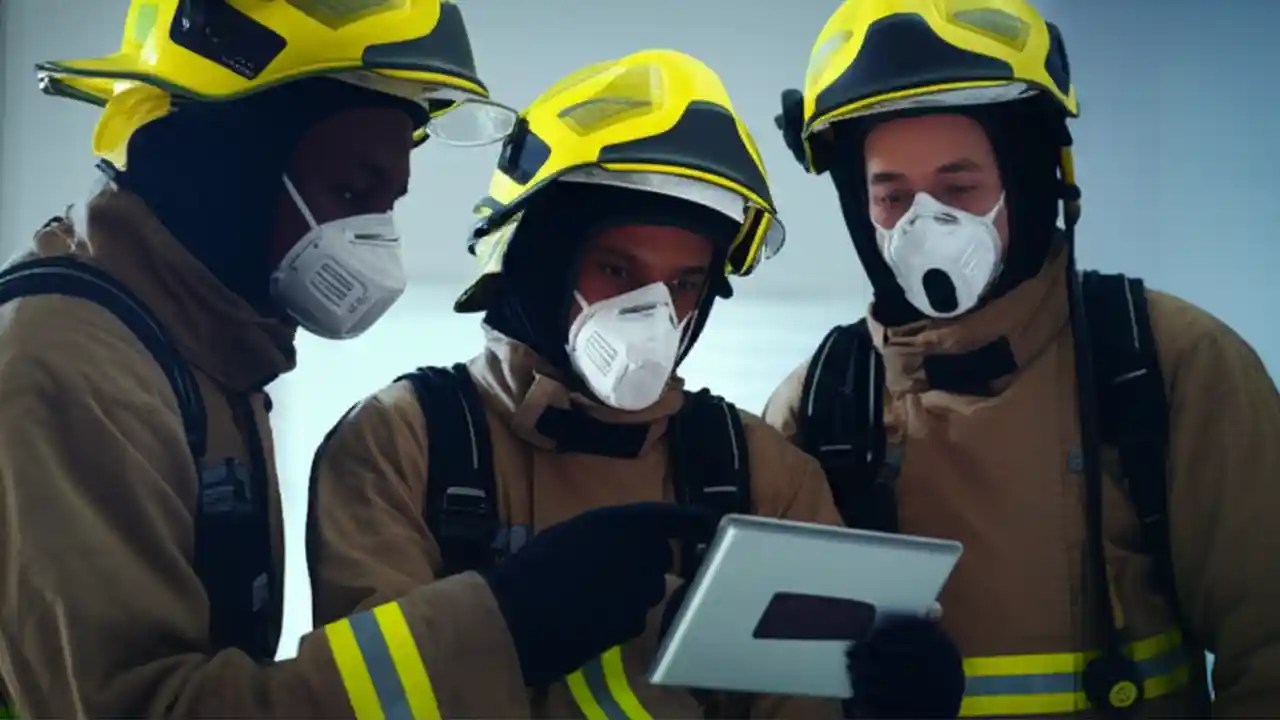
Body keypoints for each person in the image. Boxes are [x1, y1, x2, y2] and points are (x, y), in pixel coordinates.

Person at [0, 2, 684, 717]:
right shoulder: (71, 365)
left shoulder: (204, 352)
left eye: (384, 204)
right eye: (352, 192)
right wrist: (501, 627)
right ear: (227, 163)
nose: (374, 244)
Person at [306, 49, 965, 719]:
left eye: (684, 284)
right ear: (537, 264)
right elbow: (362, 702)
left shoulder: (760, 470)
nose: (655, 315)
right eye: (617, 271)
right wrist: (499, 625)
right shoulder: (405, 445)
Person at [764, 0, 1280, 717]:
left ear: (1036, 180)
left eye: (958, 187)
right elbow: (773, 683)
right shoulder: (820, 402)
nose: (925, 226)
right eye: (892, 197)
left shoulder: (1171, 364)